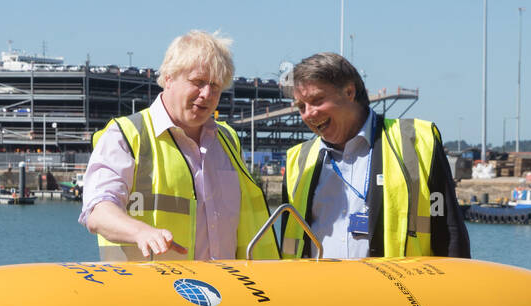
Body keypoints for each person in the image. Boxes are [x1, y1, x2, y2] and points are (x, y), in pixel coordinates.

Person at [79, 30, 276, 261]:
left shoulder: (228, 141)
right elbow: (98, 211)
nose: (207, 94)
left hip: (227, 291)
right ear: (169, 78)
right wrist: (140, 232)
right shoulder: (126, 135)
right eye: (198, 82)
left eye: (216, 85)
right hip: (150, 292)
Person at [283, 53, 469, 259]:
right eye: (301, 107)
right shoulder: (297, 161)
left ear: (349, 91)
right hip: (318, 289)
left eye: (317, 100)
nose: (308, 113)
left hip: (397, 289)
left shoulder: (416, 143)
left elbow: (450, 235)